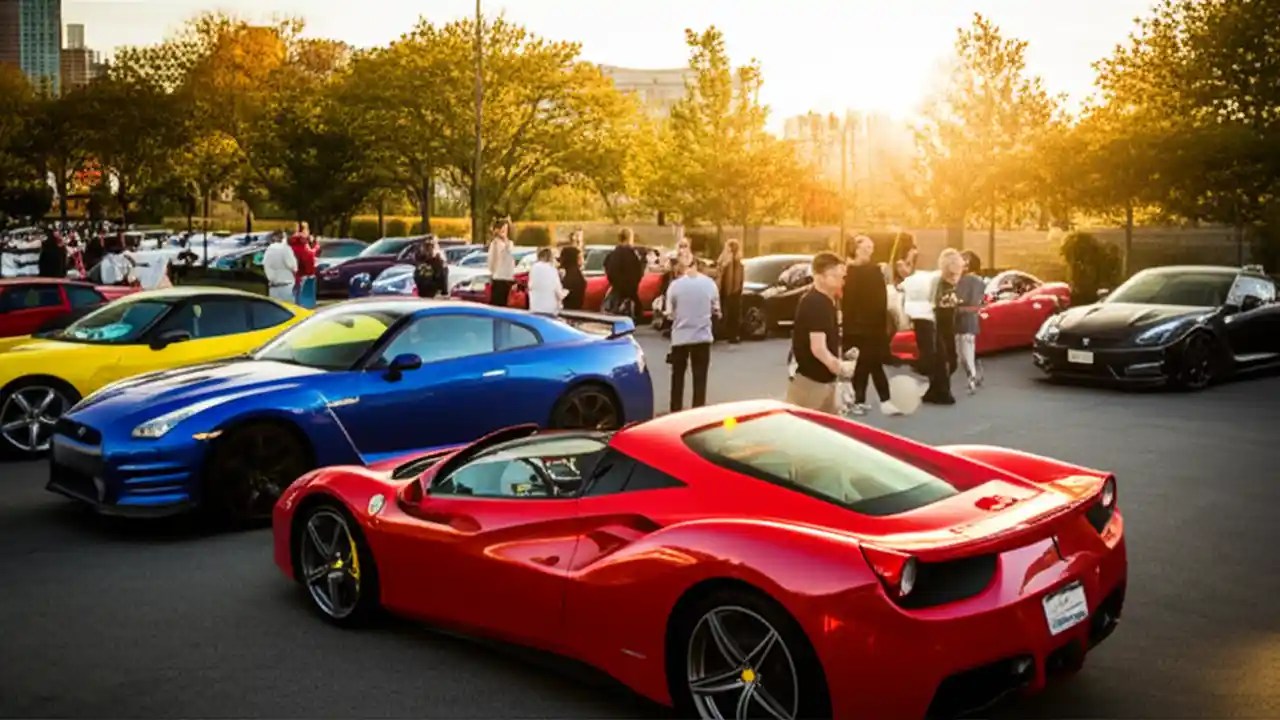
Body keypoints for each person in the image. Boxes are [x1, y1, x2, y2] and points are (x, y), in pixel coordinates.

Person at [786, 252, 856, 413]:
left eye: (842, 276)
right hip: (811, 385)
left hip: (822, 382)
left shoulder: (826, 301)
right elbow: (818, 348)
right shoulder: (815, 303)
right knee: (807, 431)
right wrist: (841, 368)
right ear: (820, 276)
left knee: (828, 430)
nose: (842, 281)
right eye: (837, 276)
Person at [842, 235, 901, 416]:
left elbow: (880, 300)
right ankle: (876, 400)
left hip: (871, 324)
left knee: (869, 363)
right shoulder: (850, 272)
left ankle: (863, 400)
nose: (869, 251)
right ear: (856, 249)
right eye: (865, 247)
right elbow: (848, 301)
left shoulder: (872, 271)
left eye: (871, 247)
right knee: (867, 364)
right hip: (859, 325)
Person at [666, 256, 720, 412]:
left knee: (677, 377)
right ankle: (698, 410)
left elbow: (669, 313)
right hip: (702, 336)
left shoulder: (675, 286)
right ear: (697, 265)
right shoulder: (710, 284)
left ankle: (675, 410)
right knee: (700, 377)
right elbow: (716, 309)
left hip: (680, 337)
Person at [925, 248, 963, 405]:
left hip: (947, 324)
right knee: (944, 360)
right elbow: (936, 303)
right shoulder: (940, 282)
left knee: (950, 360)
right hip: (940, 323)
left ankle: (935, 390)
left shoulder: (950, 282)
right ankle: (942, 392)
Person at [900, 263, 939, 378]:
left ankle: (926, 365)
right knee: (923, 341)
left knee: (925, 341)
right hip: (921, 313)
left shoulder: (920, 279)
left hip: (923, 314)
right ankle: (924, 364)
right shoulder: (925, 279)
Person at [956, 250, 986, 394]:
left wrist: (957, 307)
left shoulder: (975, 281)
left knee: (966, 353)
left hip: (967, 322)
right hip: (958, 322)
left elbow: (975, 305)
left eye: (965, 260)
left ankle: (972, 379)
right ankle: (976, 371)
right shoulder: (958, 279)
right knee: (962, 355)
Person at [603, 228, 643, 317]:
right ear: (629, 238)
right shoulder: (631, 255)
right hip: (629, 293)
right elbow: (637, 273)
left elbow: (608, 270)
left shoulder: (613, 254)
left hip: (616, 292)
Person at [716, 238, 745, 343]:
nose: (733, 249)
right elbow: (719, 275)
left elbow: (741, 278)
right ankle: (724, 334)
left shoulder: (739, 263)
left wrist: (739, 290)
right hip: (725, 291)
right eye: (731, 246)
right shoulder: (723, 261)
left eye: (735, 247)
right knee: (725, 313)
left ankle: (734, 335)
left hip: (736, 292)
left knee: (735, 314)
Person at [487, 217, 516, 306]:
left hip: (508, 277)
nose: (504, 231)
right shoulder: (495, 243)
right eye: (502, 229)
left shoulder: (510, 243)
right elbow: (491, 260)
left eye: (506, 229)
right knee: (497, 303)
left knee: (506, 303)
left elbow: (511, 258)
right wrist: (492, 273)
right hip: (499, 277)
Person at [262, 231, 299, 302]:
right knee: (289, 309)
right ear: (283, 238)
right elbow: (293, 266)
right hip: (286, 284)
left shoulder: (268, 250)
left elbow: (265, 265)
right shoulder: (285, 249)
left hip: (273, 286)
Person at [528, 247, 566, 314]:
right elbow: (559, 293)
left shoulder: (533, 268)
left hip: (535, 307)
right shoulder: (552, 269)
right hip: (550, 309)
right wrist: (566, 292)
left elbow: (530, 286)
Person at [289, 227, 317, 308]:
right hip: (303, 276)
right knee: (304, 297)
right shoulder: (304, 249)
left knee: (294, 296)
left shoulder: (290, 248)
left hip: (292, 277)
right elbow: (309, 261)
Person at [559, 245, 586, 311]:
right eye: (579, 257)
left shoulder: (568, 272)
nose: (583, 260)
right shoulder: (574, 274)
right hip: (572, 310)